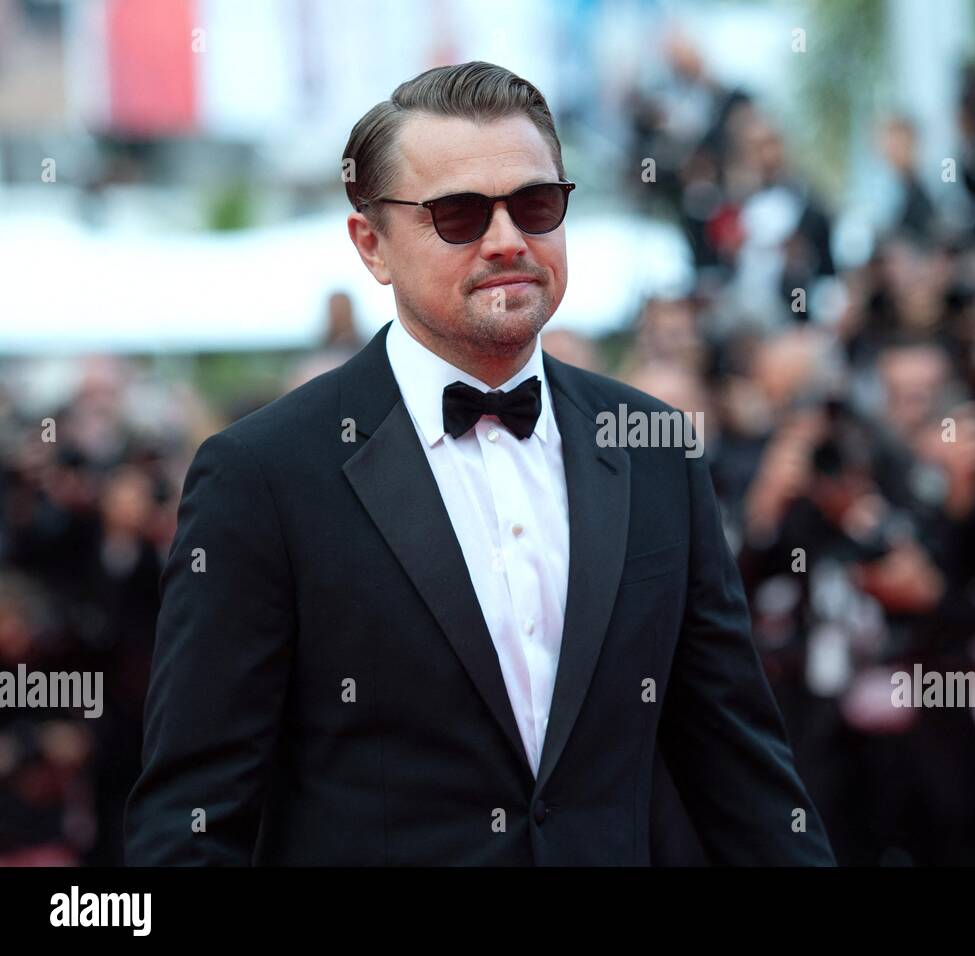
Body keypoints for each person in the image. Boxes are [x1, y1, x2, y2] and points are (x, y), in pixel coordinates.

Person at [123, 61, 834, 866]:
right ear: (372, 244)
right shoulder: (263, 475)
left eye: (535, 205)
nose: (507, 240)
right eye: (458, 215)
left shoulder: (653, 445)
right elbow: (190, 824)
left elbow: (741, 774)